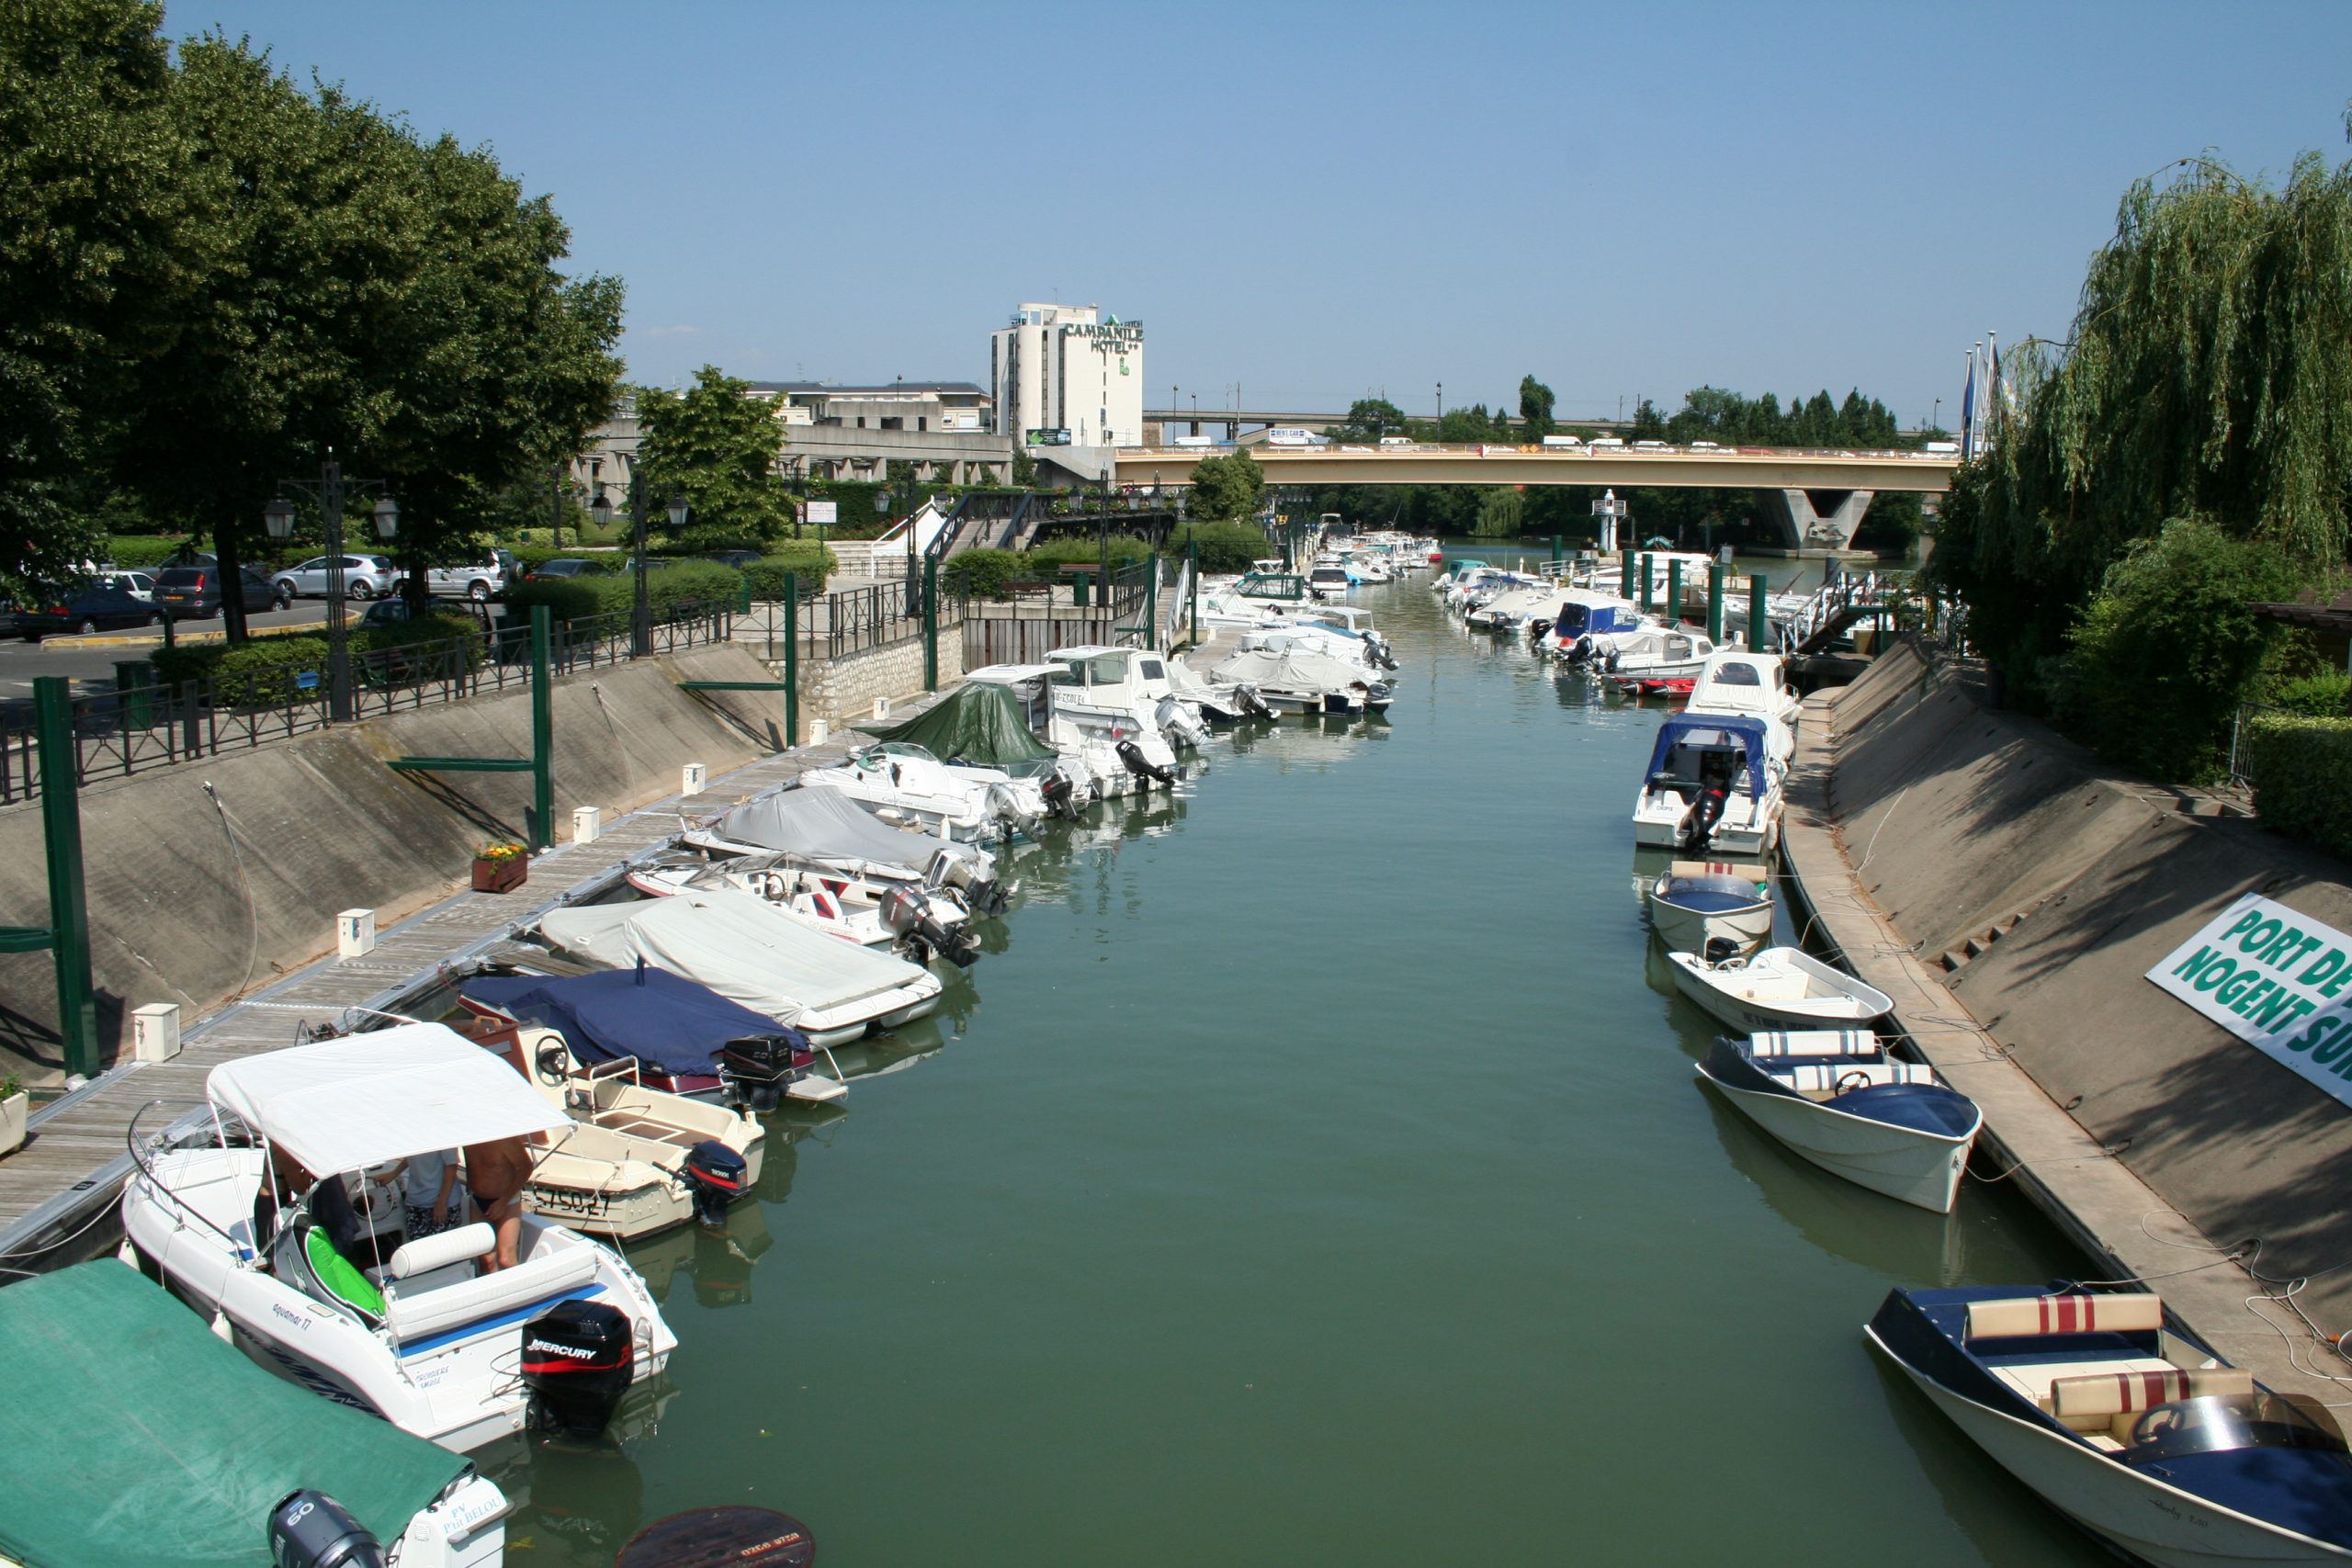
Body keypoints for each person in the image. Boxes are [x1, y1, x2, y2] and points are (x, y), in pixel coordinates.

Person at [462, 1135, 535, 1273]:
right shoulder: (467, 1138)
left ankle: (518, 1292)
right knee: (486, 1259)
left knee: (506, 1259)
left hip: (506, 1201)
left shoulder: (504, 1139)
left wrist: (503, 1201)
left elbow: (526, 1167)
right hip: (476, 1200)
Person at [395, 1148, 461, 1242]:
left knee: (443, 1248)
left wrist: (442, 1203)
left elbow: (451, 1164)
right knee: (418, 1248)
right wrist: (392, 1174)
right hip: (416, 1201)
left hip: (443, 1204)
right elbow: (412, 1156)